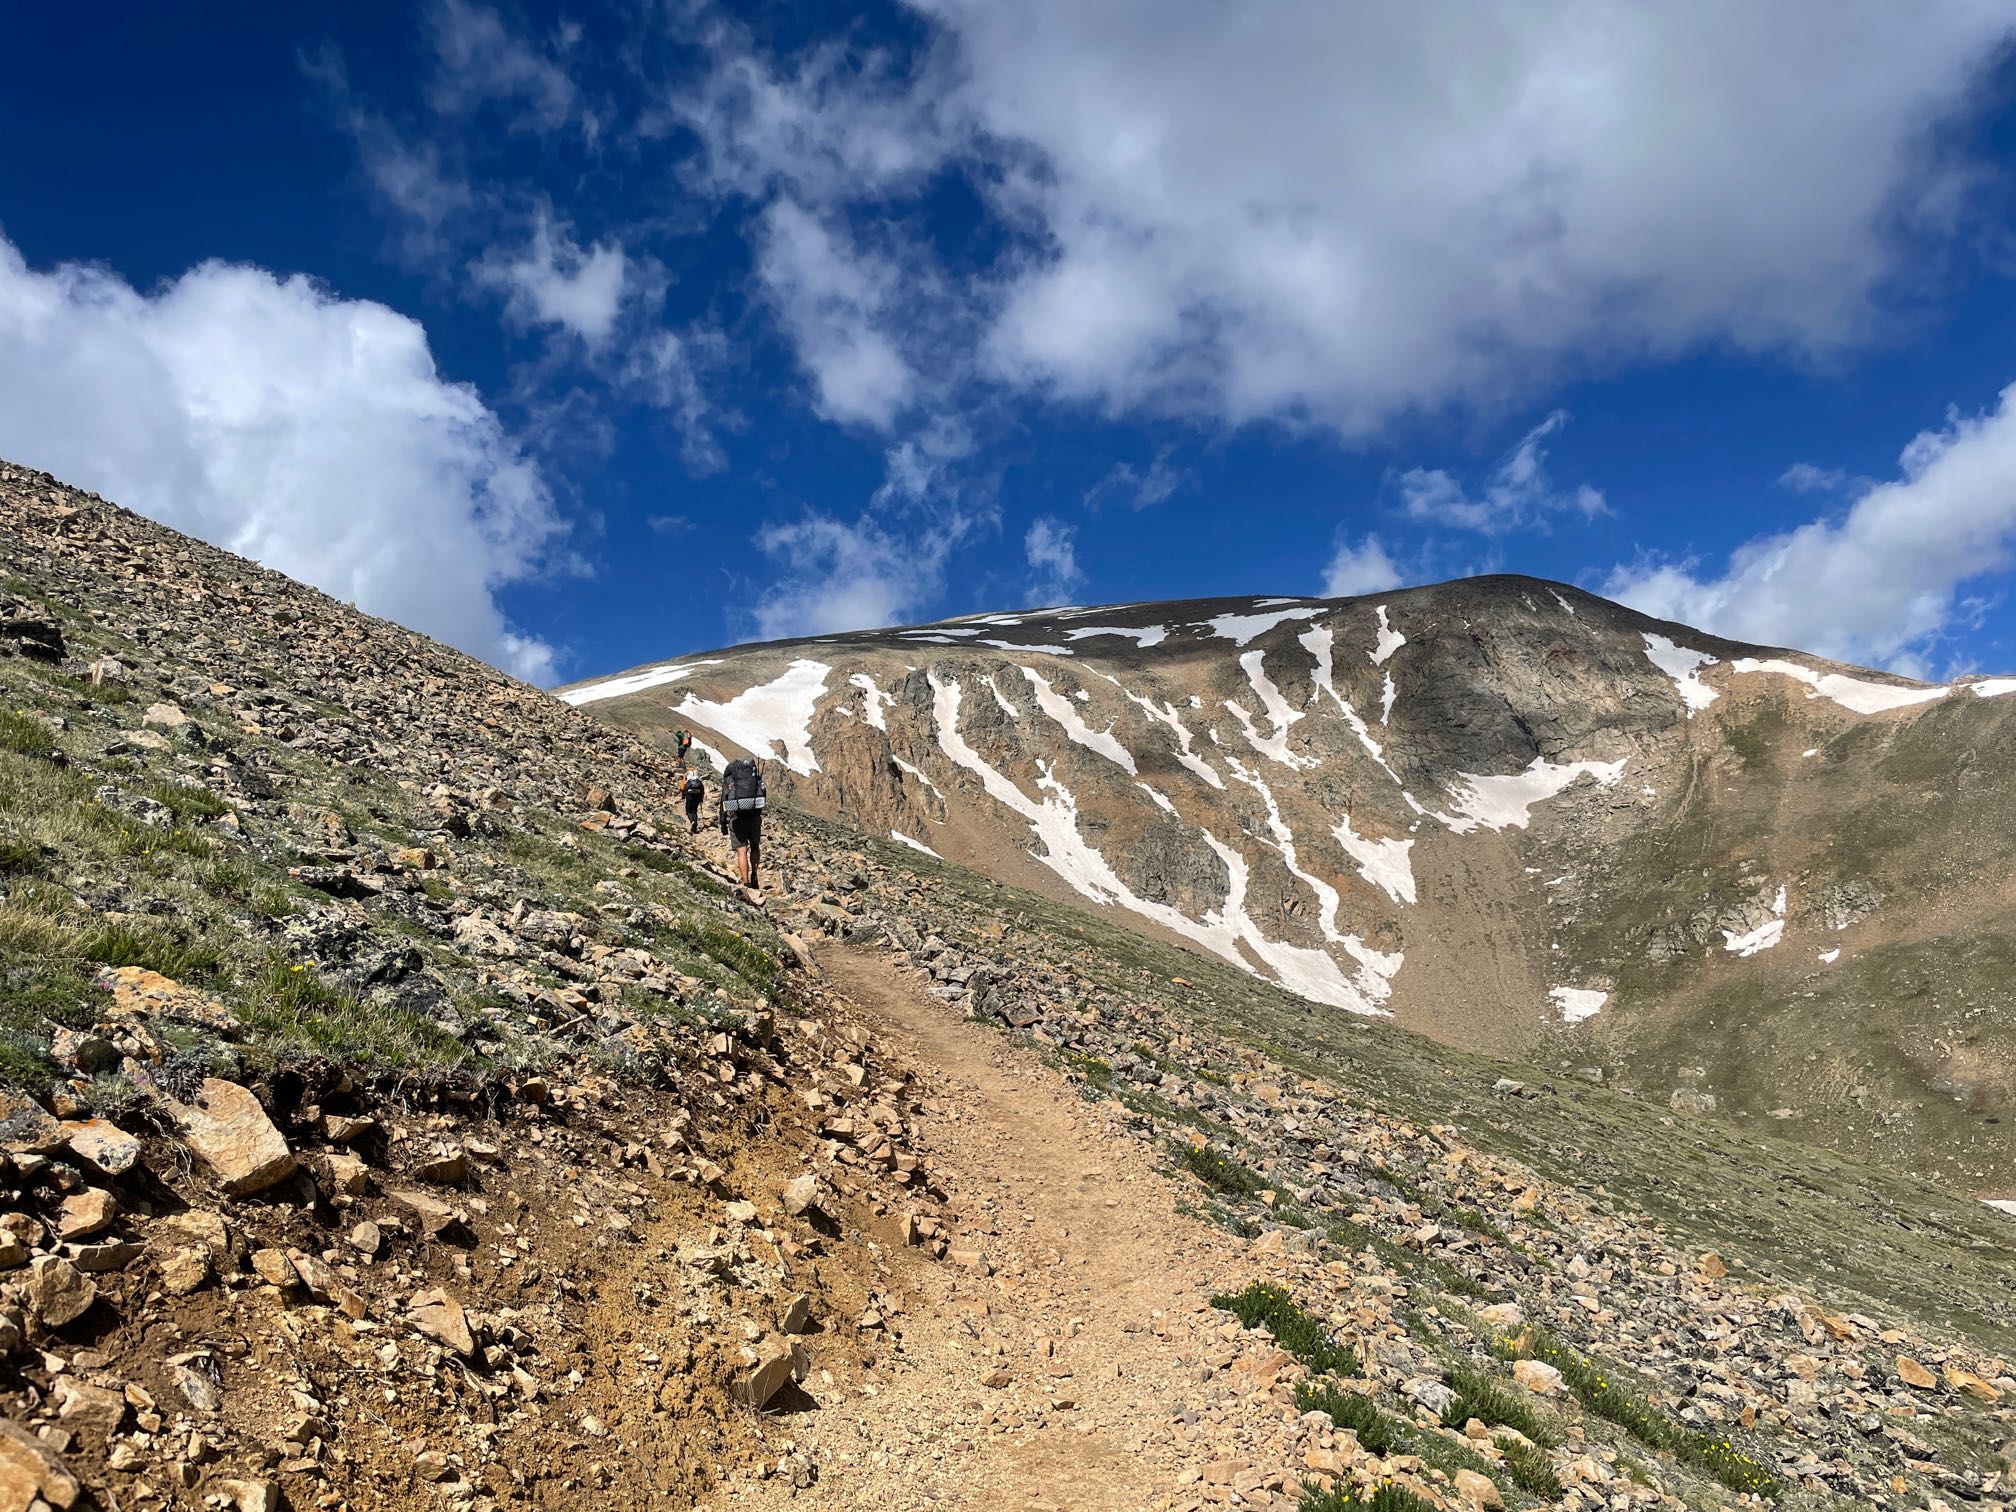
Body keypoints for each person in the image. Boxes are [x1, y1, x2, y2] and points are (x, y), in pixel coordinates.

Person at [719, 756, 765, 892]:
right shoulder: (754, 776)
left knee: (742, 850)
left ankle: (746, 883)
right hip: (754, 817)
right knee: (755, 846)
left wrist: (722, 821)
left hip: (737, 819)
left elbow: (723, 800)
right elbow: (763, 794)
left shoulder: (730, 779)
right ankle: (755, 875)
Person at [681, 766, 705, 834]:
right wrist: (701, 798)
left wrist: (683, 796)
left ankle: (692, 821)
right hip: (697, 796)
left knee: (688, 811)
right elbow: (702, 789)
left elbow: (683, 788)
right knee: (694, 811)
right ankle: (695, 825)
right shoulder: (698, 779)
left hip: (689, 795)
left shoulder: (688, 778)